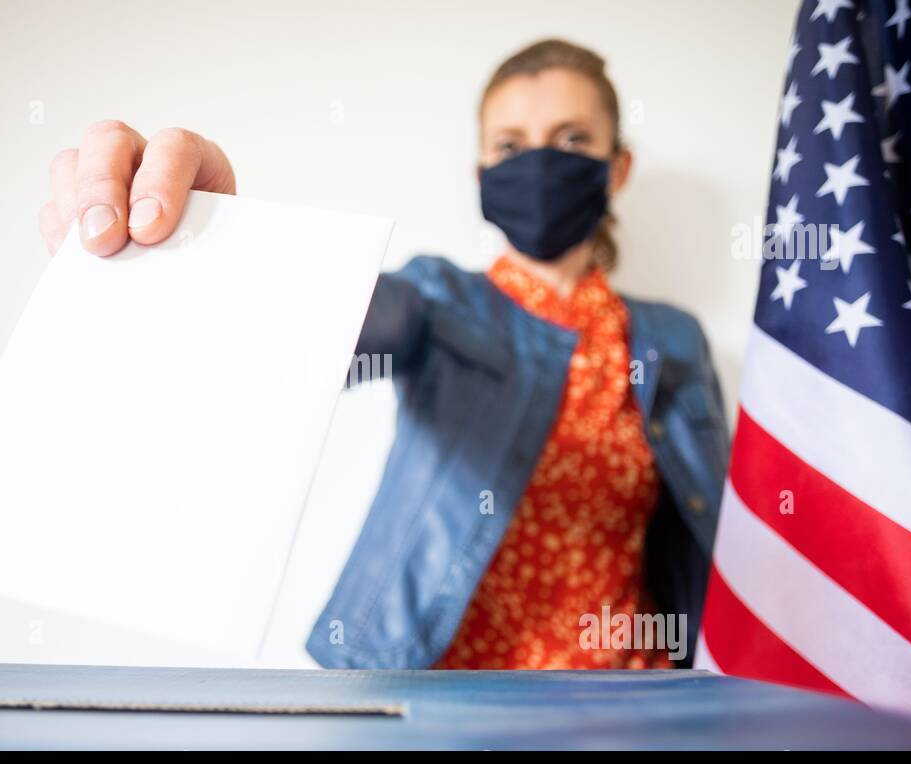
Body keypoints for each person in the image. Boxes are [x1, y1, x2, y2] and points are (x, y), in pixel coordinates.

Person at [37, 38, 730, 671]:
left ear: (617, 167)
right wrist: (221, 248)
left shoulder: (673, 338)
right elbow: (332, 328)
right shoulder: (441, 300)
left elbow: (722, 530)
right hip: (447, 706)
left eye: (572, 138)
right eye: (511, 146)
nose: (541, 163)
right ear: (482, 174)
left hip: (631, 706)